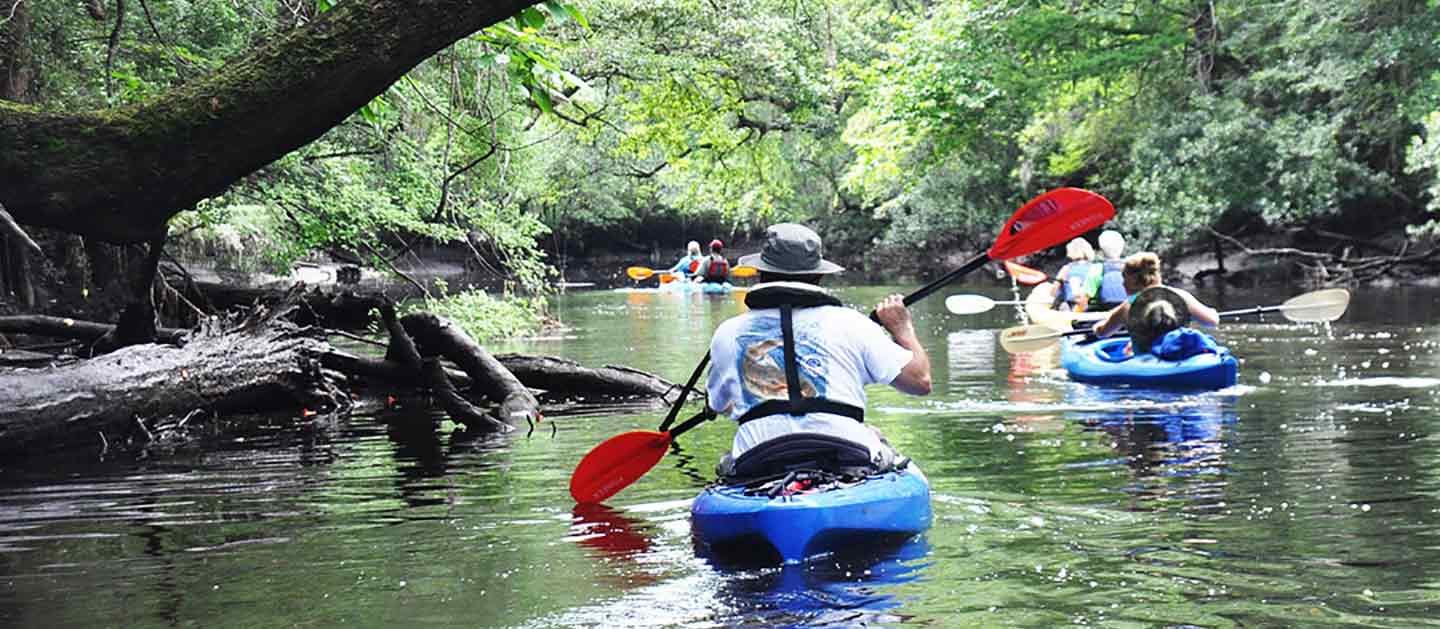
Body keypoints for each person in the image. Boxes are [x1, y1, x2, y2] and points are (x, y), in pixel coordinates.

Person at [706, 224, 932, 478]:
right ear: (818, 275)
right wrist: (903, 329)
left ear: (761, 272)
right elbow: (920, 382)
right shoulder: (852, 323)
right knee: (876, 436)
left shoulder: (727, 332)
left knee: (727, 461)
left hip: (758, 458)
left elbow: (719, 405)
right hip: (845, 452)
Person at [1091, 252, 1220, 354]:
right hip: (1180, 353)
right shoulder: (1181, 296)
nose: (1122, 284)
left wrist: (1097, 327)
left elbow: (1102, 333)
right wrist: (1213, 312)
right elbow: (1212, 322)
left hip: (1147, 360)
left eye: (1124, 279)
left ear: (1132, 281)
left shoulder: (1128, 306)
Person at [1085, 229, 1129, 310]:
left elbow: (1085, 297)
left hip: (1105, 312)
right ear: (1122, 247)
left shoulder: (1097, 268)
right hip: (1128, 311)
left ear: (1101, 250)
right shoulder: (1131, 266)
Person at [1051, 237, 1096, 311]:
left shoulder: (1066, 268)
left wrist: (1059, 280)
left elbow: (1053, 293)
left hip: (1071, 307)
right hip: (1092, 306)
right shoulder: (1095, 267)